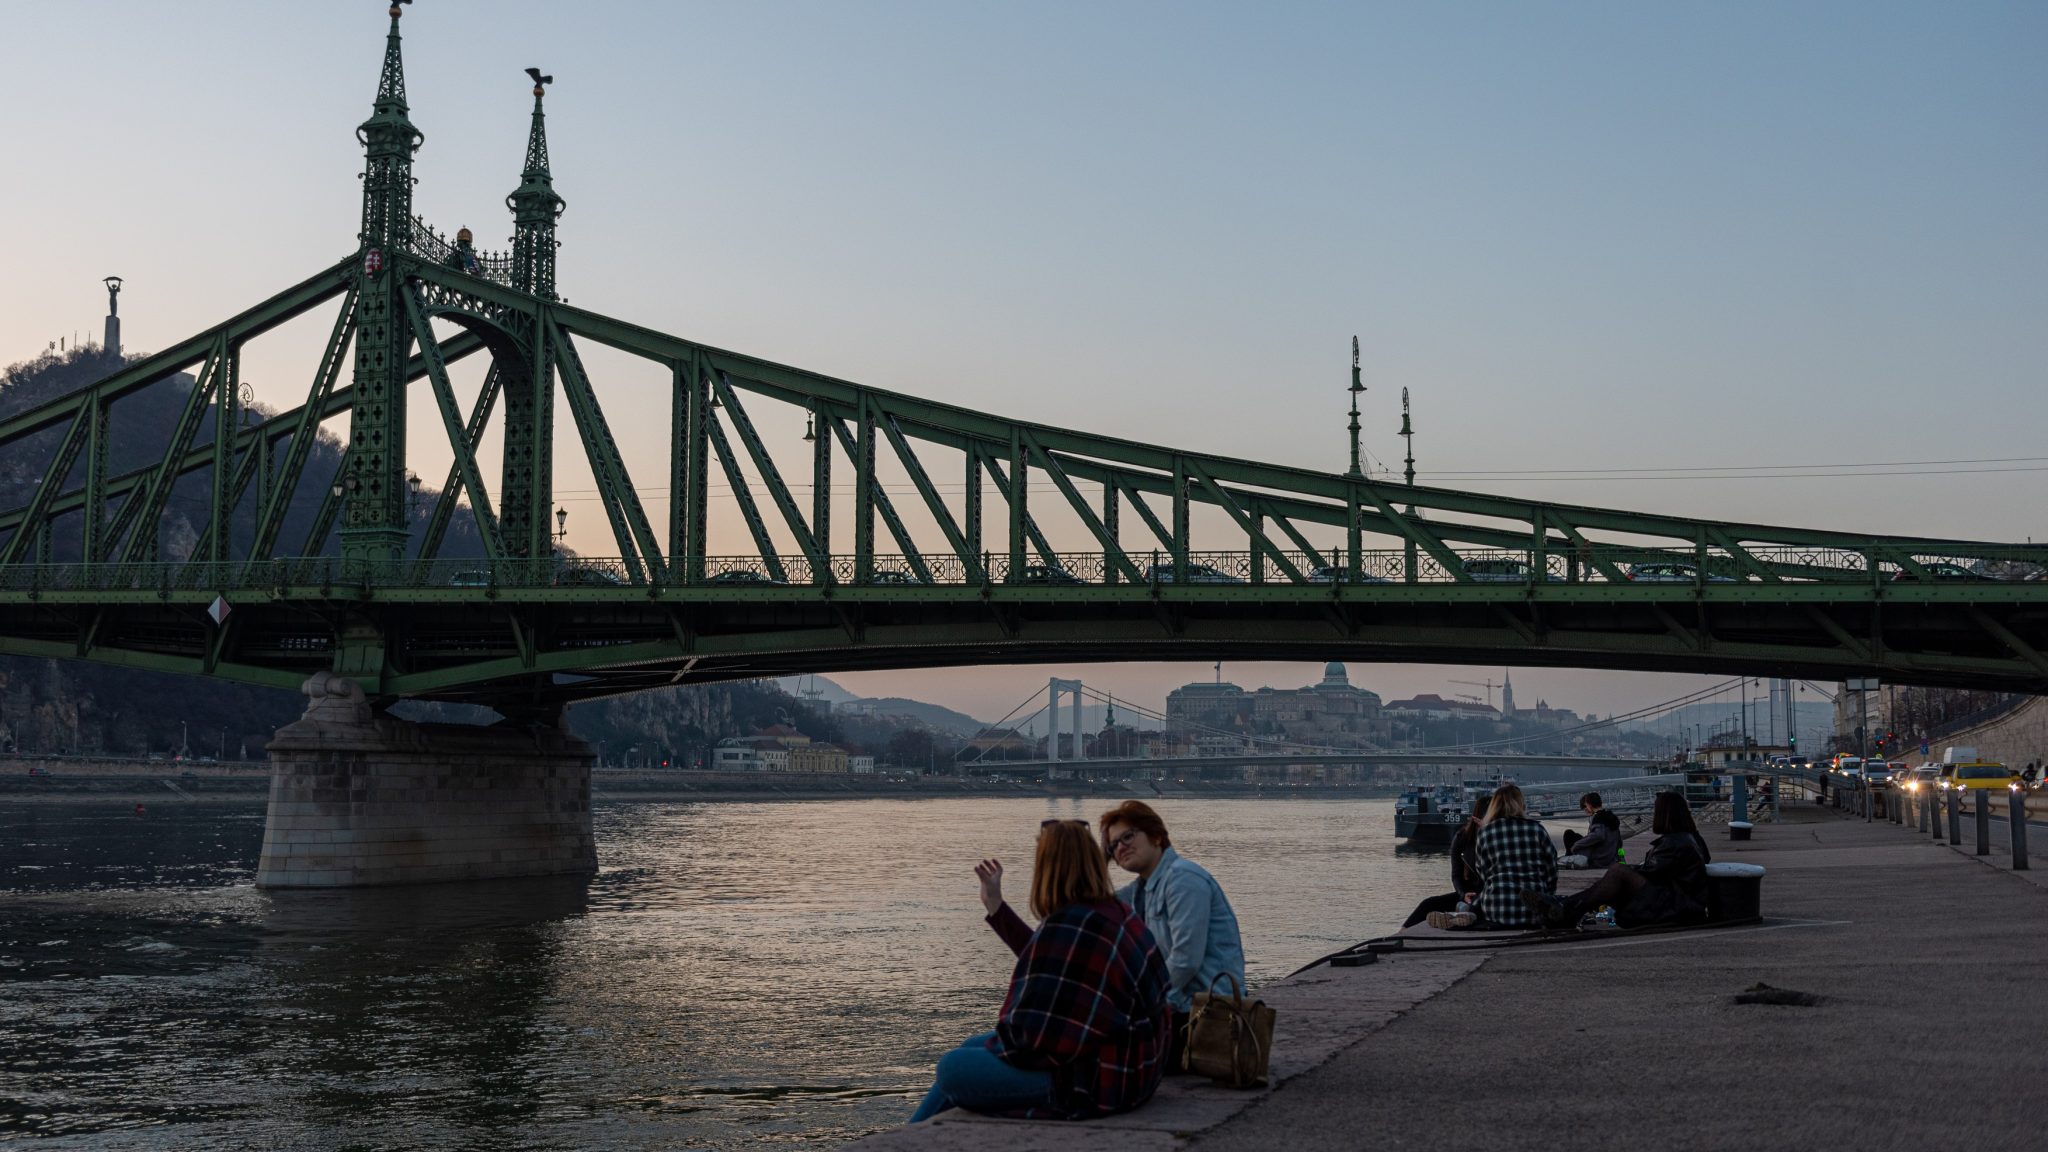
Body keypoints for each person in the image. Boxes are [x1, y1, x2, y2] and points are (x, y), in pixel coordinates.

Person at [910, 819, 1169, 1124]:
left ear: (1049, 867)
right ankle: (909, 1134)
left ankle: (904, 1138)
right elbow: (1053, 961)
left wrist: (1002, 1048)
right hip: (1138, 1068)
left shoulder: (1071, 923)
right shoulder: (1111, 912)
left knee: (953, 1068)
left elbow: (1032, 1038)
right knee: (971, 1047)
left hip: (1099, 1083)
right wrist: (996, 905)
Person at [1097, 800, 1245, 1069]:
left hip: (1206, 1018)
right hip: (1181, 1012)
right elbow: (1096, 909)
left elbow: (1186, 960)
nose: (1121, 847)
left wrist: (1142, 1005)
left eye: (1128, 836)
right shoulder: (1142, 891)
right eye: (1113, 845)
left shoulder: (1183, 880)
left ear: (1155, 836)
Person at [1525, 791, 1712, 929]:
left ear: (1665, 814)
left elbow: (1652, 874)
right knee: (1616, 875)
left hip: (1673, 907)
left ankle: (1565, 908)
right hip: (1676, 902)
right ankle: (1565, 908)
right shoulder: (1687, 838)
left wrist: (1624, 873)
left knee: (1618, 873)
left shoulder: (1675, 843)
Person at [1473, 784, 1557, 929]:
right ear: (1520, 803)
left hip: (1497, 908)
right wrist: (1548, 893)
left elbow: (1483, 872)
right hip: (1534, 911)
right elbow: (1551, 868)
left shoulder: (1484, 833)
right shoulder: (1537, 829)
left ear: (1494, 805)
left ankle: (1464, 912)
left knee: (1474, 903)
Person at [1402, 794, 1491, 928]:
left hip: (1492, 893)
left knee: (1472, 908)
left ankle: (1460, 915)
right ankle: (1401, 933)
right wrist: (1463, 894)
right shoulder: (1461, 838)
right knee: (1427, 904)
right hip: (1470, 893)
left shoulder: (1499, 838)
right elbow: (1456, 875)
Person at [1560, 792, 1622, 869]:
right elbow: (1619, 841)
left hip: (1598, 858)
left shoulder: (1598, 817)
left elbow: (1598, 836)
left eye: (1585, 805)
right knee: (1573, 835)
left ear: (1589, 804)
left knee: (1569, 834)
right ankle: (1570, 856)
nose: (1585, 808)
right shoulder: (1611, 817)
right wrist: (1620, 859)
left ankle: (1570, 857)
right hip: (1609, 856)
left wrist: (1577, 844)